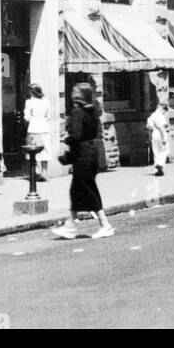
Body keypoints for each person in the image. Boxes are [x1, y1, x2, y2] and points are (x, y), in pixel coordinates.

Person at [51, 83, 113, 240]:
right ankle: (71, 225)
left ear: (79, 96)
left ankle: (104, 225)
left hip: (83, 157)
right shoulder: (92, 112)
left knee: (87, 191)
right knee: (77, 191)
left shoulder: (78, 112)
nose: (72, 94)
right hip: (91, 155)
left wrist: (66, 139)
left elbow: (77, 136)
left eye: (74, 92)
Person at [23, 84, 52, 180]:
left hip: (33, 128)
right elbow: (49, 116)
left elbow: (27, 117)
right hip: (44, 128)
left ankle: (35, 171)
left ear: (32, 92)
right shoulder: (46, 102)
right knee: (45, 150)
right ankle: (44, 172)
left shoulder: (29, 102)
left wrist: (32, 118)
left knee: (33, 150)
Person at [147, 98, 171, 177]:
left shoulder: (153, 115)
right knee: (164, 150)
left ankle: (157, 166)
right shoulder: (160, 116)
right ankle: (160, 164)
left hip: (154, 133)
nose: (165, 112)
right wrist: (164, 137)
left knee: (156, 150)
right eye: (165, 109)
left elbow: (149, 126)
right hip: (160, 133)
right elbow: (161, 128)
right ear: (162, 108)